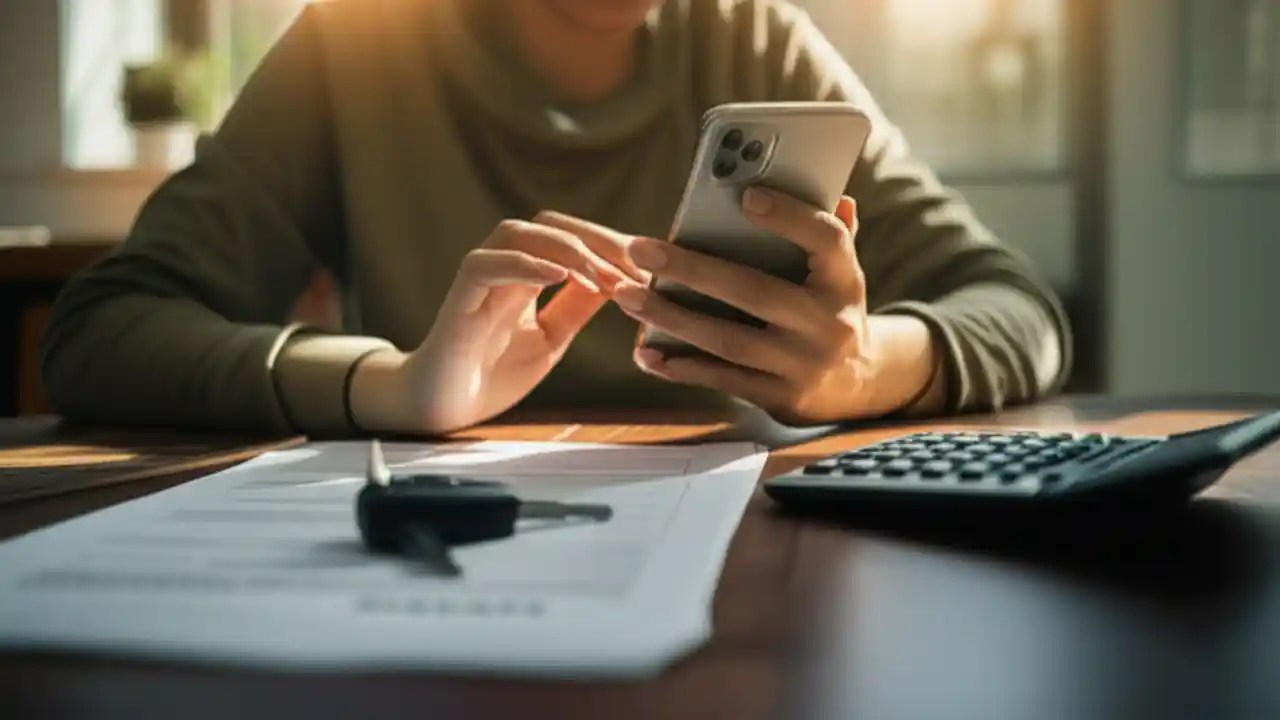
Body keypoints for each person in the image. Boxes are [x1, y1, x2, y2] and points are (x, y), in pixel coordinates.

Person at [42, 0, 1070, 437]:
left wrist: (860, 368)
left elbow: (1017, 309)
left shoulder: (754, 37)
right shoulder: (359, 41)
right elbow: (100, 332)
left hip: (738, 562)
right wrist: (388, 386)